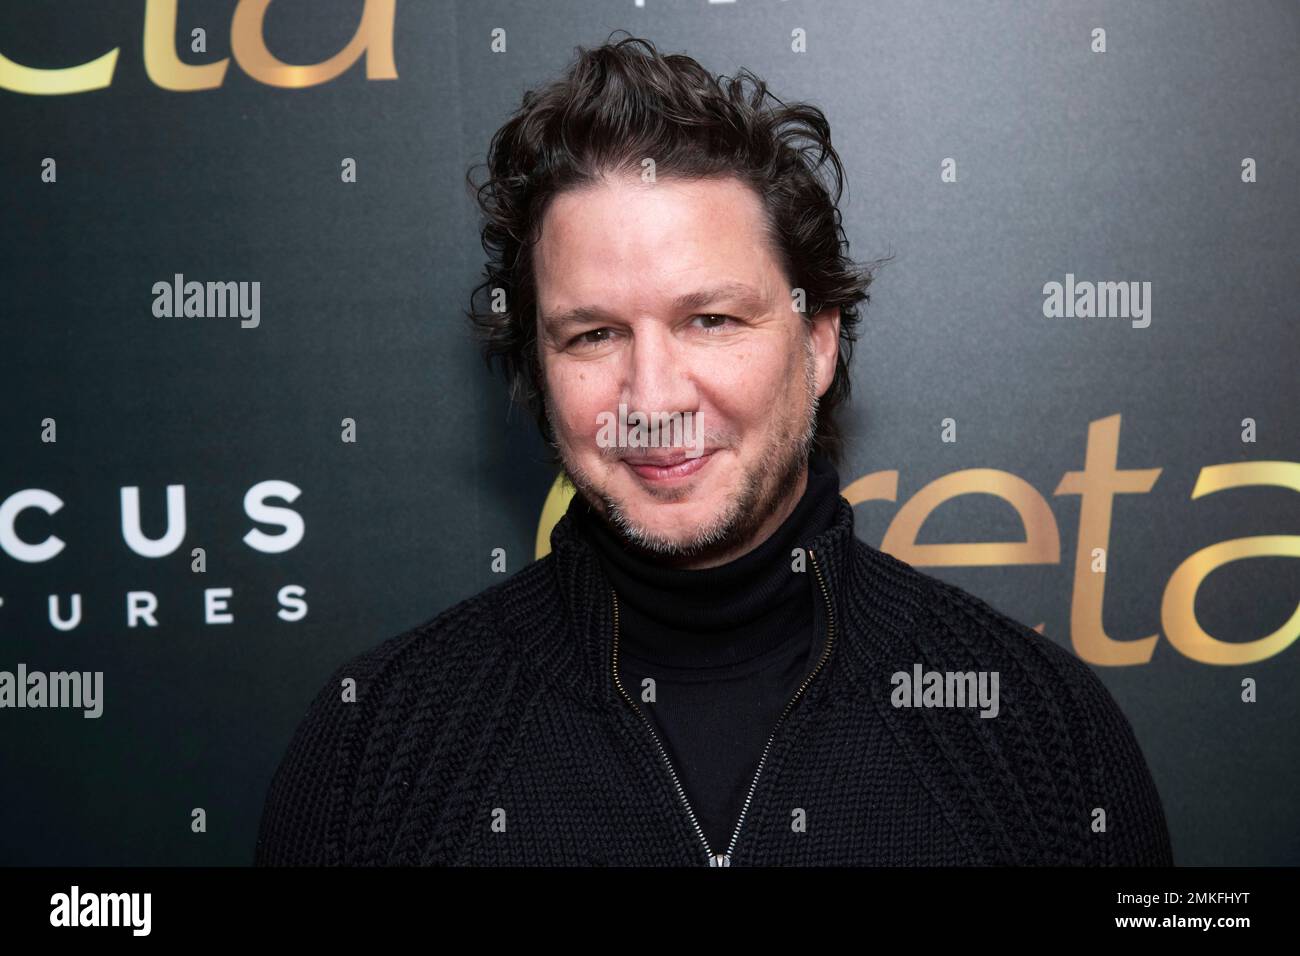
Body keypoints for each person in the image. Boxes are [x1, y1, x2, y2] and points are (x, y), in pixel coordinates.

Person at [255, 33, 1173, 867]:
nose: (653, 398)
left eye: (710, 320)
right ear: (537, 367)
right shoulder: (375, 747)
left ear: (817, 342)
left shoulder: (1038, 730)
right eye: (593, 336)